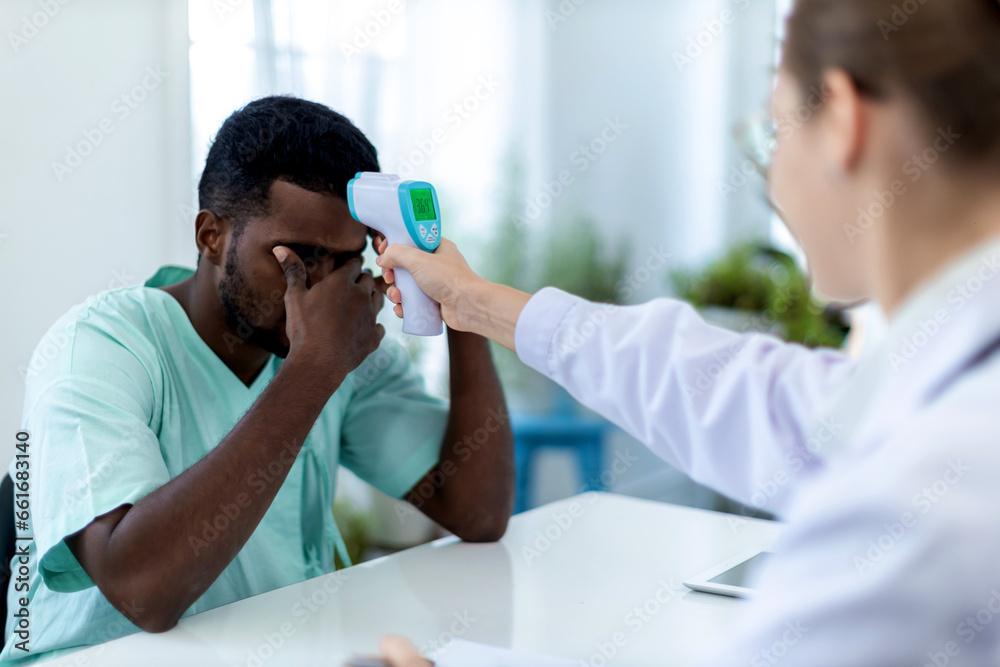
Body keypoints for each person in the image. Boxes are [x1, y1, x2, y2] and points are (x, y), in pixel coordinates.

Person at [373, 0, 1000, 663]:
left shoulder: (918, 505)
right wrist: (474, 302)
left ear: (843, 120)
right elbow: (758, 398)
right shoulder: (939, 392)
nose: (775, 176)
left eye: (773, 135)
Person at [1, 96, 514, 664]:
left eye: (343, 261)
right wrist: (313, 370)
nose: (318, 289)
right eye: (298, 257)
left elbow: (477, 512)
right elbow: (142, 591)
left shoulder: (339, 351)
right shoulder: (100, 346)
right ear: (211, 236)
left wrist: (462, 308)